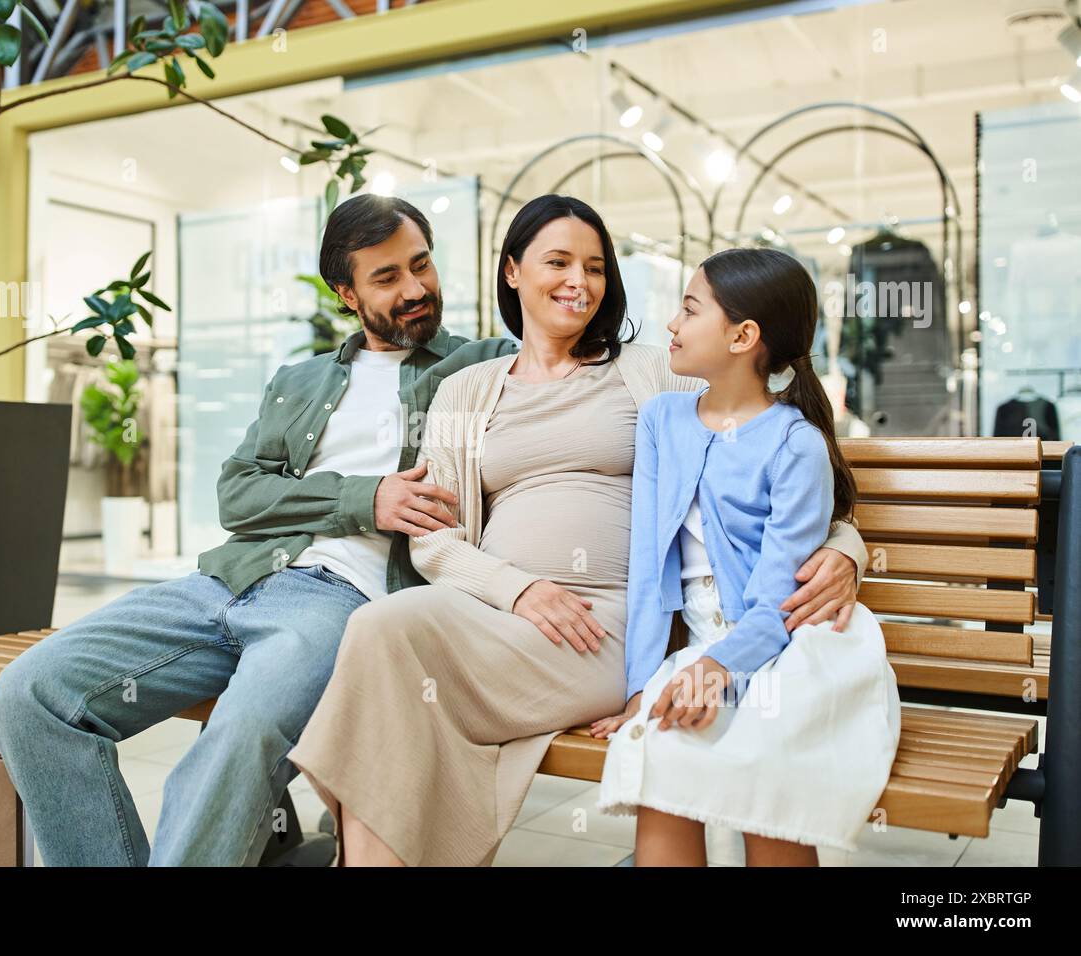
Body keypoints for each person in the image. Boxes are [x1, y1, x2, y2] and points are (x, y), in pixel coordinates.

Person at [288, 195, 868, 867]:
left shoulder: (654, 373)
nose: (580, 282)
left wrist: (843, 550)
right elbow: (435, 539)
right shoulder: (465, 391)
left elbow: (774, 465)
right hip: (494, 615)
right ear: (512, 272)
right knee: (380, 636)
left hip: (606, 625)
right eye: (557, 262)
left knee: (386, 670)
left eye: (595, 267)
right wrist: (519, 590)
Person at [0, 194, 518, 866]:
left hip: (344, 605)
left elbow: (578, 373)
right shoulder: (300, 380)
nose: (415, 289)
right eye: (387, 278)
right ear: (346, 294)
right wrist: (365, 498)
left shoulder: (481, 365)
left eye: (421, 266)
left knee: (243, 734)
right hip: (226, 583)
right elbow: (237, 495)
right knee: (29, 695)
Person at [592, 247, 901, 865]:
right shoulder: (662, 420)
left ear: (743, 335)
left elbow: (776, 602)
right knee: (661, 744)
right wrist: (640, 685)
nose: (672, 326)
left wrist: (720, 668)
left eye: (688, 309)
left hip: (795, 644)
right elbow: (648, 565)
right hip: (707, 646)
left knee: (766, 759)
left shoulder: (796, 444)